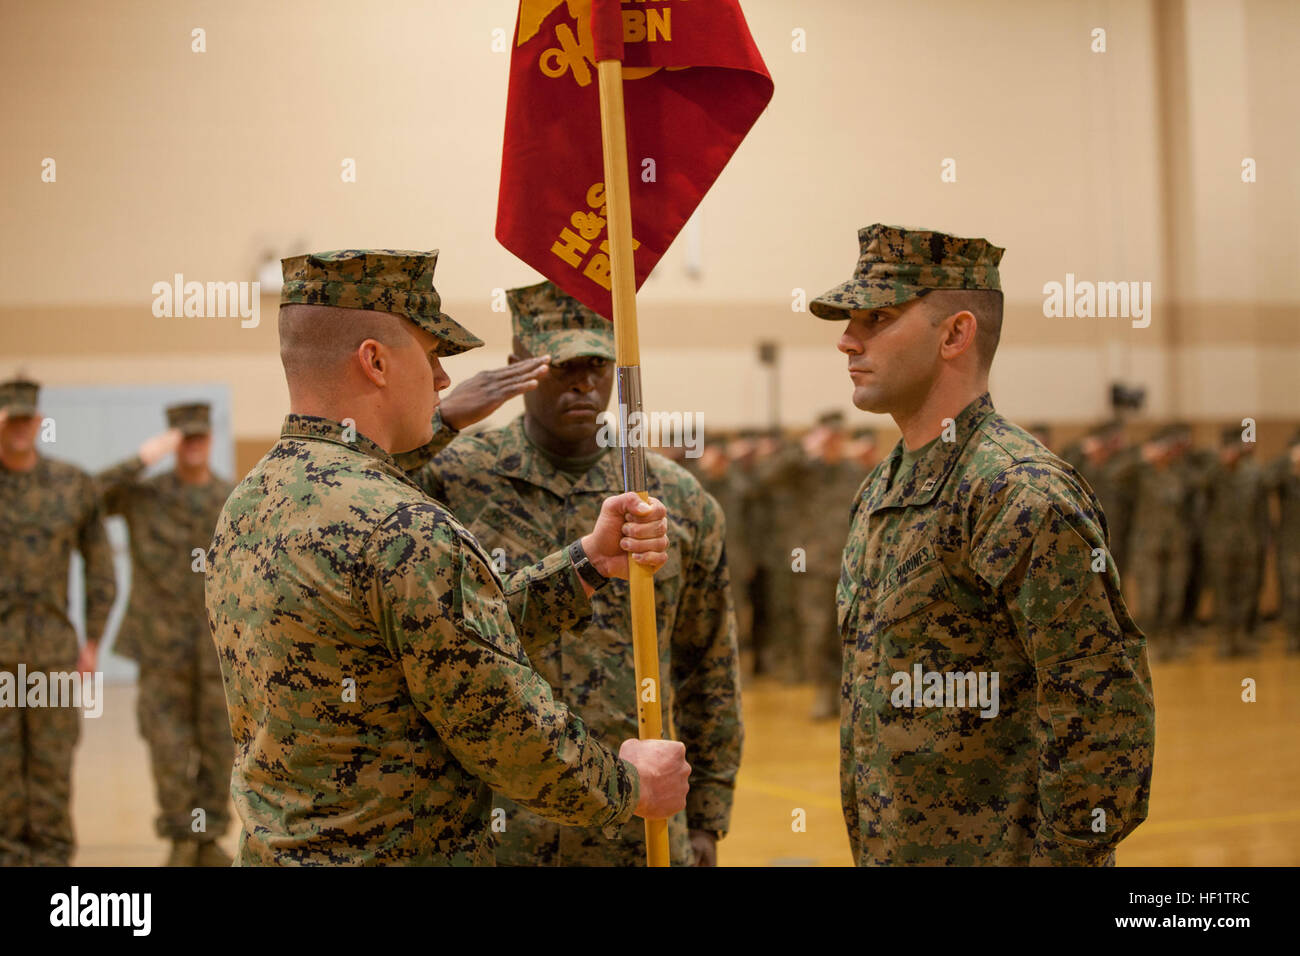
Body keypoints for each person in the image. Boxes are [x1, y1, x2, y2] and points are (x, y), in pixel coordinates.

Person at [205, 250, 689, 865]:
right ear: (375, 361)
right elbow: (503, 729)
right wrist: (631, 786)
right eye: (431, 356)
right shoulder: (403, 526)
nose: (441, 380)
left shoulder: (252, 500)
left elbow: (436, 644)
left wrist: (586, 564)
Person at [808, 224, 1155, 865]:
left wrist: (1068, 854)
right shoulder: (883, 488)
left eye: (876, 316)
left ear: (954, 335)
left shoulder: (1015, 491)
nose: (847, 339)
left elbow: (1101, 699)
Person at [405, 280, 741, 866]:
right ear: (517, 369)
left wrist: (708, 816)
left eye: (597, 365)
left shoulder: (674, 499)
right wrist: (441, 422)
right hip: (496, 823)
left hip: (636, 825)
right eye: (563, 366)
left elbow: (707, 663)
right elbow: (357, 498)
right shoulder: (454, 478)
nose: (584, 382)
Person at [98, 402, 236, 865]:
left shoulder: (231, 497)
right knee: (168, 748)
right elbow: (87, 497)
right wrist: (144, 457)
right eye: (185, 437)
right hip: (160, 649)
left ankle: (207, 836)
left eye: (201, 436)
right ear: (174, 440)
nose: (195, 445)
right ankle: (181, 836)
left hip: (218, 651)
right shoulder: (145, 495)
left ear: (211, 440)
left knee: (219, 746)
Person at [0, 377, 116, 865]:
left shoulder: (72, 484)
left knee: (51, 769)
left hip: (53, 658)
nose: (21, 428)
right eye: (11, 419)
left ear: (40, 422)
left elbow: (100, 567)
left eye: (29, 419)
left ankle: (49, 863)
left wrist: (91, 642)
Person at [1203, 425, 1269, 657]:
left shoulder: (1255, 472)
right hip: (1219, 542)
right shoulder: (1214, 471)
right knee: (1223, 592)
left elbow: (1262, 509)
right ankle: (1225, 637)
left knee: (1247, 591)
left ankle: (1243, 636)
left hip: (1248, 541)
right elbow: (1202, 495)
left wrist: (1264, 539)